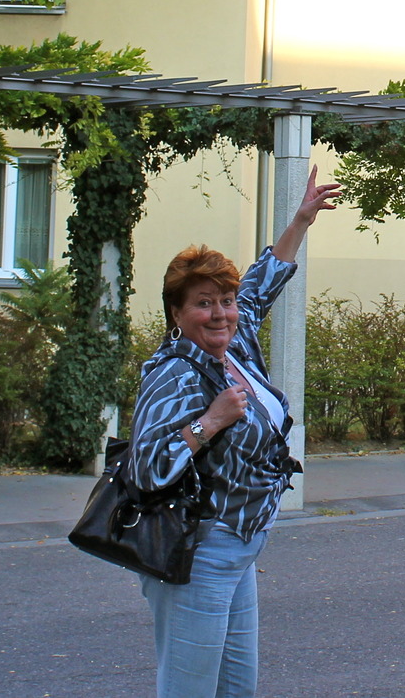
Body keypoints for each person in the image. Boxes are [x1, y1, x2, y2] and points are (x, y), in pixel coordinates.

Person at [129, 166, 342, 698]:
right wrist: (210, 422)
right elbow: (145, 467)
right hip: (198, 547)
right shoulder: (173, 373)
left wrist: (300, 221)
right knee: (190, 688)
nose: (220, 312)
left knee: (235, 688)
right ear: (177, 313)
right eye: (203, 303)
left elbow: (264, 280)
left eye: (224, 300)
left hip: (241, 543)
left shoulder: (235, 341)